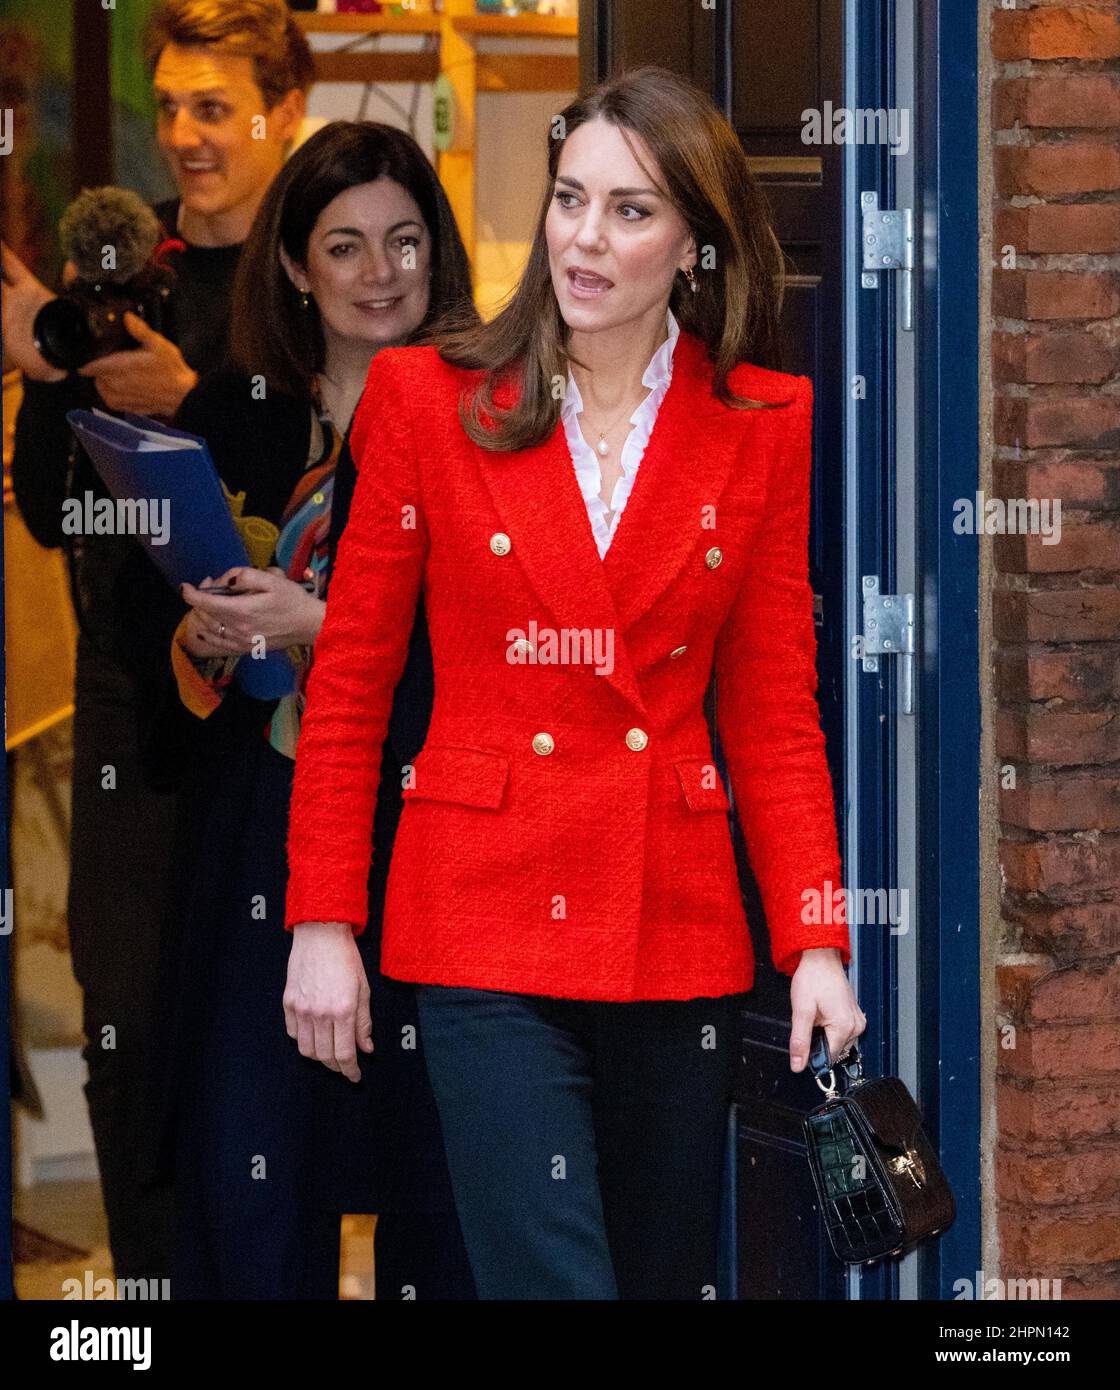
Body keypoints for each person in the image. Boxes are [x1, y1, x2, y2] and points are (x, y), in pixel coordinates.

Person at [280, 65, 868, 1301]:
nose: (585, 239)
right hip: (481, 926)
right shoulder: (426, 401)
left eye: (631, 211)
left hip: (676, 928)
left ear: (696, 244)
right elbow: (350, 686)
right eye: (568, 199)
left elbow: (770, 706)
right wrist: (324, 919)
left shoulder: (761, 421)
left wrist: (814, 935)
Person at [3, 0, 312, 1282]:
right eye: (172, 106)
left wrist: (190, 402)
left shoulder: (318, 277)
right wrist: (54, 375)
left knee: (261, 1055)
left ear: (281, 114)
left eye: (214, 109)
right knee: (127, 1040)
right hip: (131, 702)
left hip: (274, 718)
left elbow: (329, 468)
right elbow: (42, 505)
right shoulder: (128, 277)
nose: (185, 137)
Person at [162, 120, 478, 1300]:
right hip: (262, 827)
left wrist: (325, 627)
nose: (381, 271)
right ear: (295, 265)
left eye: (404, 241)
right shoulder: (231, 409)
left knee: (432, 1170)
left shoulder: (493, 415)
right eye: (345, 246)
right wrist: (202, 636)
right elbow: (167, 654)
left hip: (432, 833)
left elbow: (500, 645)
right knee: (254, 1162)